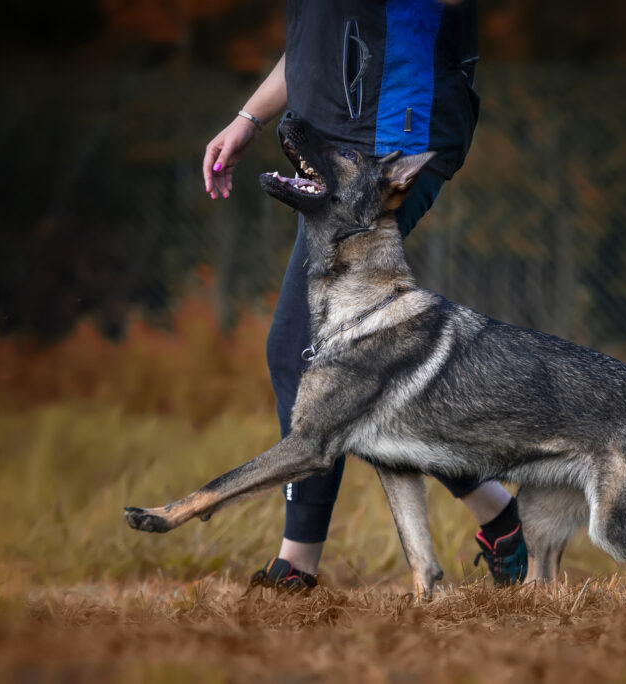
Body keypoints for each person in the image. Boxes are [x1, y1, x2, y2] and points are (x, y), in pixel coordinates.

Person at [202, 0, 526, 590]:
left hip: (393, 137)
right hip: (340, 136)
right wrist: (248, 118)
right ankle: (497, 510)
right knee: (341, 362)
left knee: (303, 349)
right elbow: (316, 42)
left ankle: (296, 567)